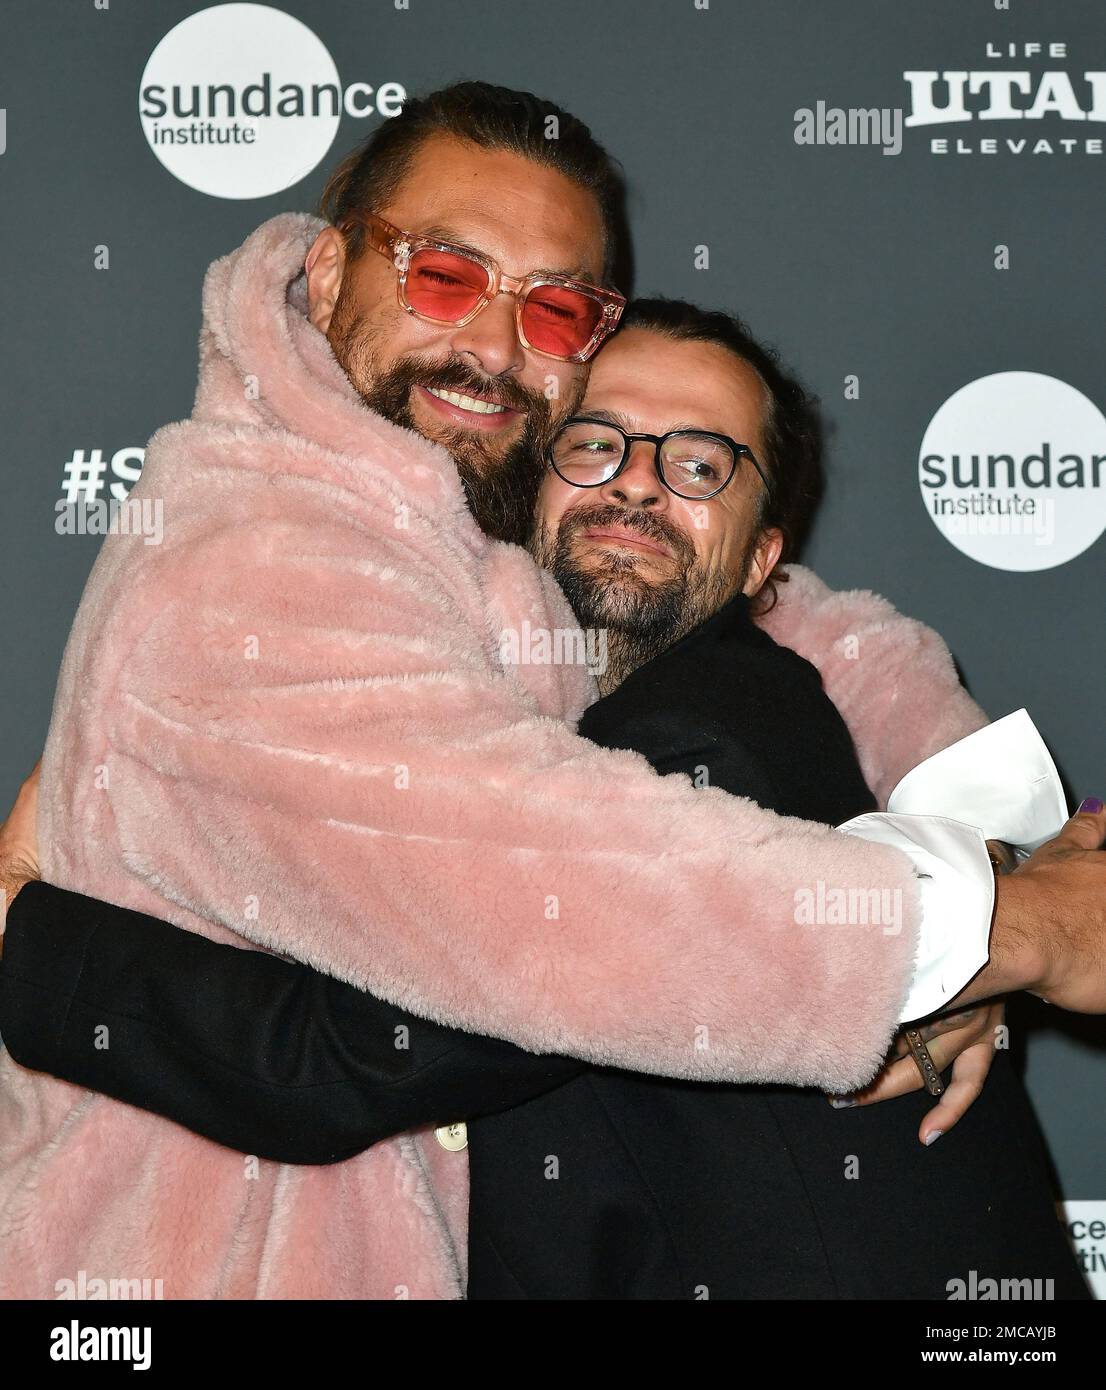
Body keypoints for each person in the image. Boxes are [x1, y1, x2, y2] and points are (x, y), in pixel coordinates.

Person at [1, 83, 1104, 1301]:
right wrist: (1003, 929)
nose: (489, 343)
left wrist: (979, 836)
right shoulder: (260, 549)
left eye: (553, 307)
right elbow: (528, 900)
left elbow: (789, 621)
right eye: (442, 275)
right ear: (324, 276)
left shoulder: (457, 533)